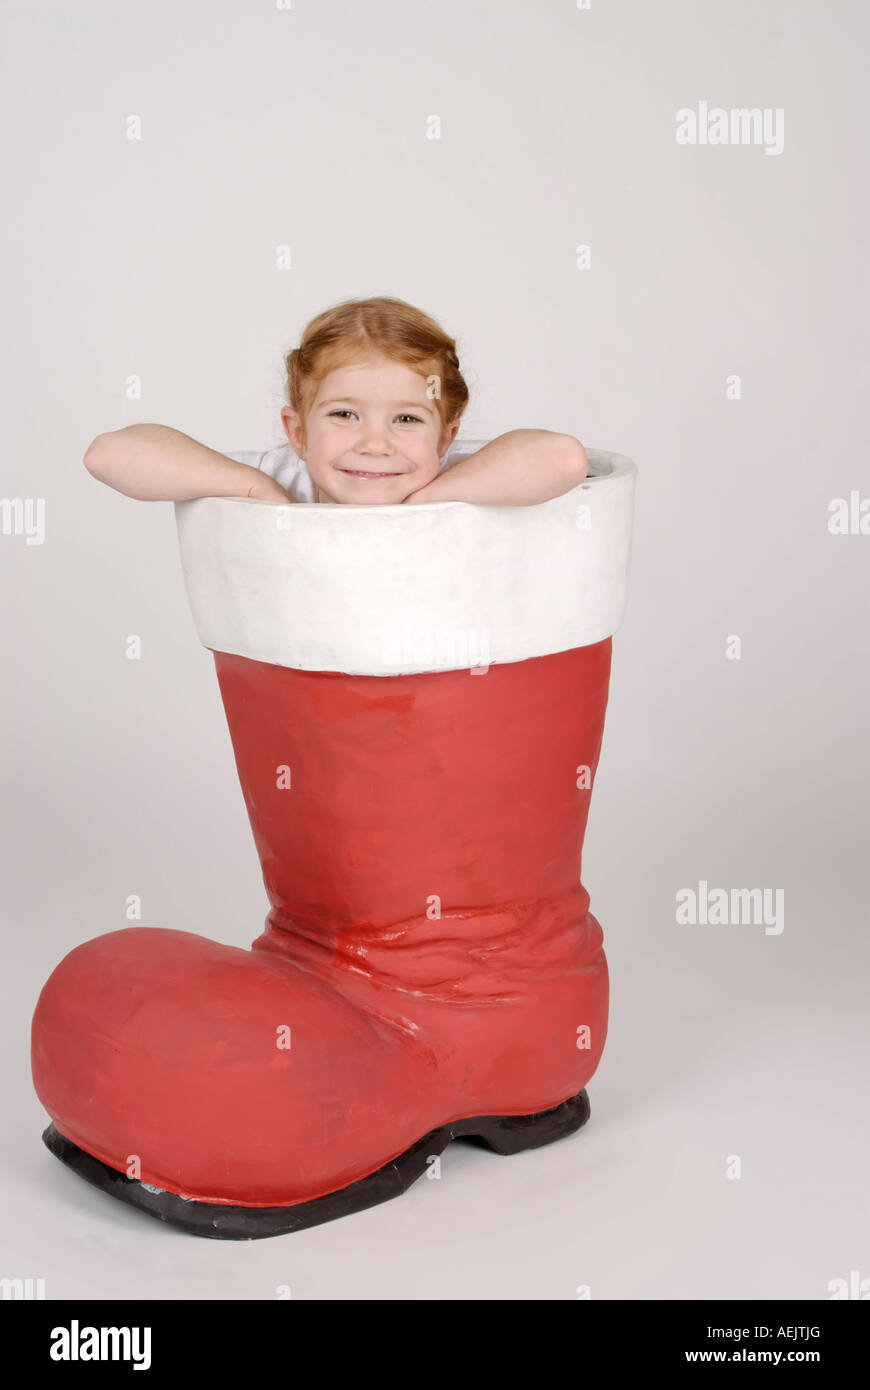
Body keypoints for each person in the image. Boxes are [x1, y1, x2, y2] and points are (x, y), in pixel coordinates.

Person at [84, 296, 588, 506]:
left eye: (407, 418)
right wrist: (254, 490)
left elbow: (563, 459)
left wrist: (428, 500)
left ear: (447, 436)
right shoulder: (281, 478)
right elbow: (110, 454)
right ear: (298, 433)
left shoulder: (454, 478)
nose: (374, 443)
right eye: (344, 414)